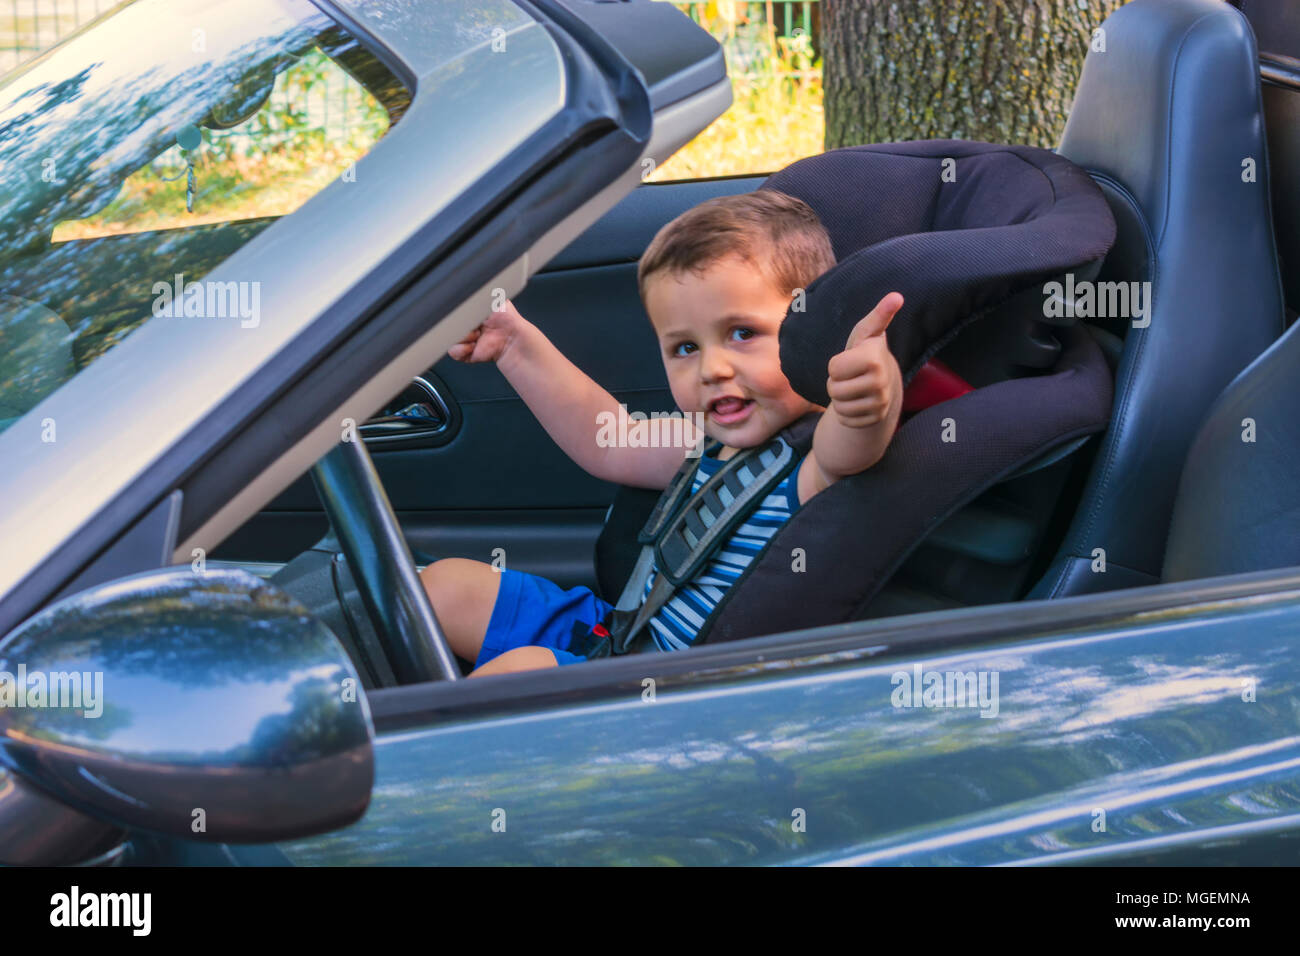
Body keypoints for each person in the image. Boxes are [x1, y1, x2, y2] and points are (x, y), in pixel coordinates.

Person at [420, 190, 903, 676]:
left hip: (673, 695)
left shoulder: (816, 464)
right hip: (621, 634)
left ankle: (405, 749)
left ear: (817, 329)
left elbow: (859, 438)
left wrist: (869, 392)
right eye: (686, 347)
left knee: (521, 670)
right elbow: (608, 439)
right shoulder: (704, 442)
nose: (713, 368)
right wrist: (514, 345)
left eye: (742, 334)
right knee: (444, 588)